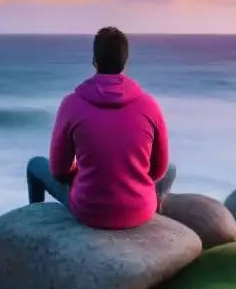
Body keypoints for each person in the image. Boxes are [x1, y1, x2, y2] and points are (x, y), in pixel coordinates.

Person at [27, 26, 175, 230]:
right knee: (171, 169)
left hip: (89, 210)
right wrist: (129, 175)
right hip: (139, 210)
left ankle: (33, 226)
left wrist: (86, 171)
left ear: (94, 61)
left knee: (35, 165)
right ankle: (154, 208)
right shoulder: (150, 105)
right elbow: (158, 170)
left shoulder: (71, 104)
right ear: (125, 61)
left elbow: (58, 170)